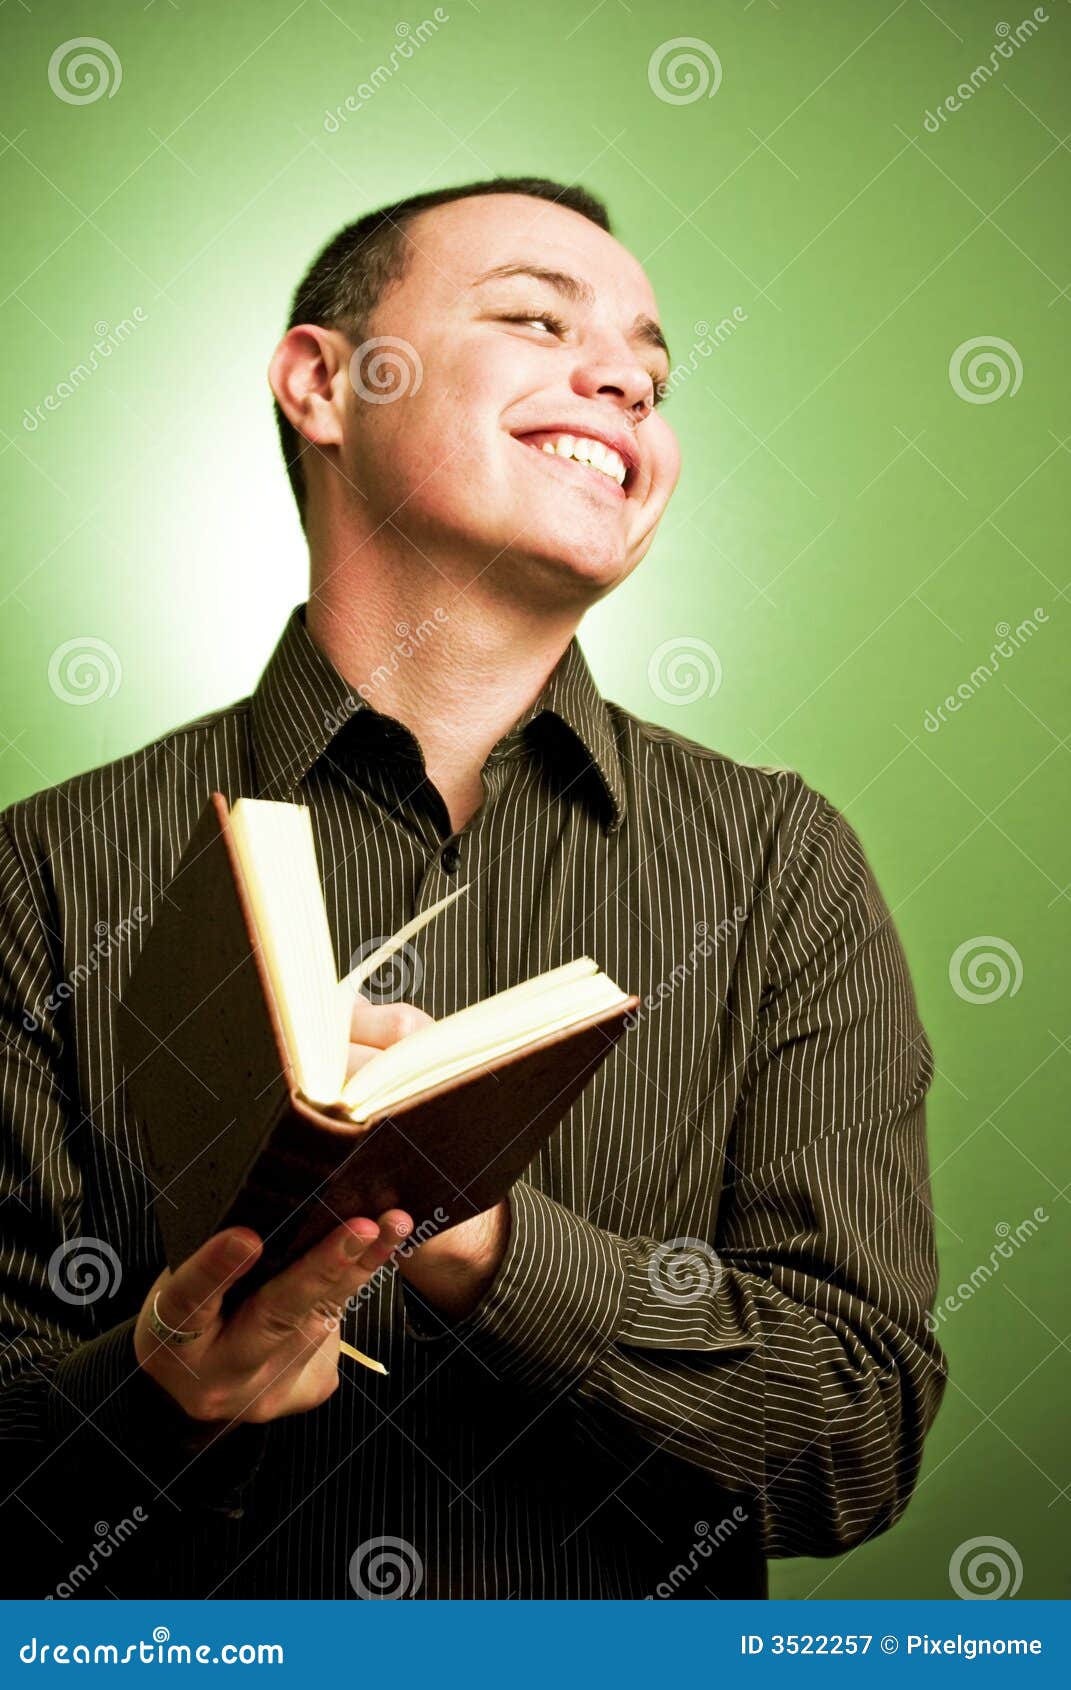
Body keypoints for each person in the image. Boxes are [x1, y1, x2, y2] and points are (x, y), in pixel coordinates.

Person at [0, 176, 945, 1599]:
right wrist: (161, 1391)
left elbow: (854, 1441)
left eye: (651, 367)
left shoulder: (782, 866)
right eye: (532, 317)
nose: (622, 379)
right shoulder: (46, 870)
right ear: (325, 382)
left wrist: (479, 1230)